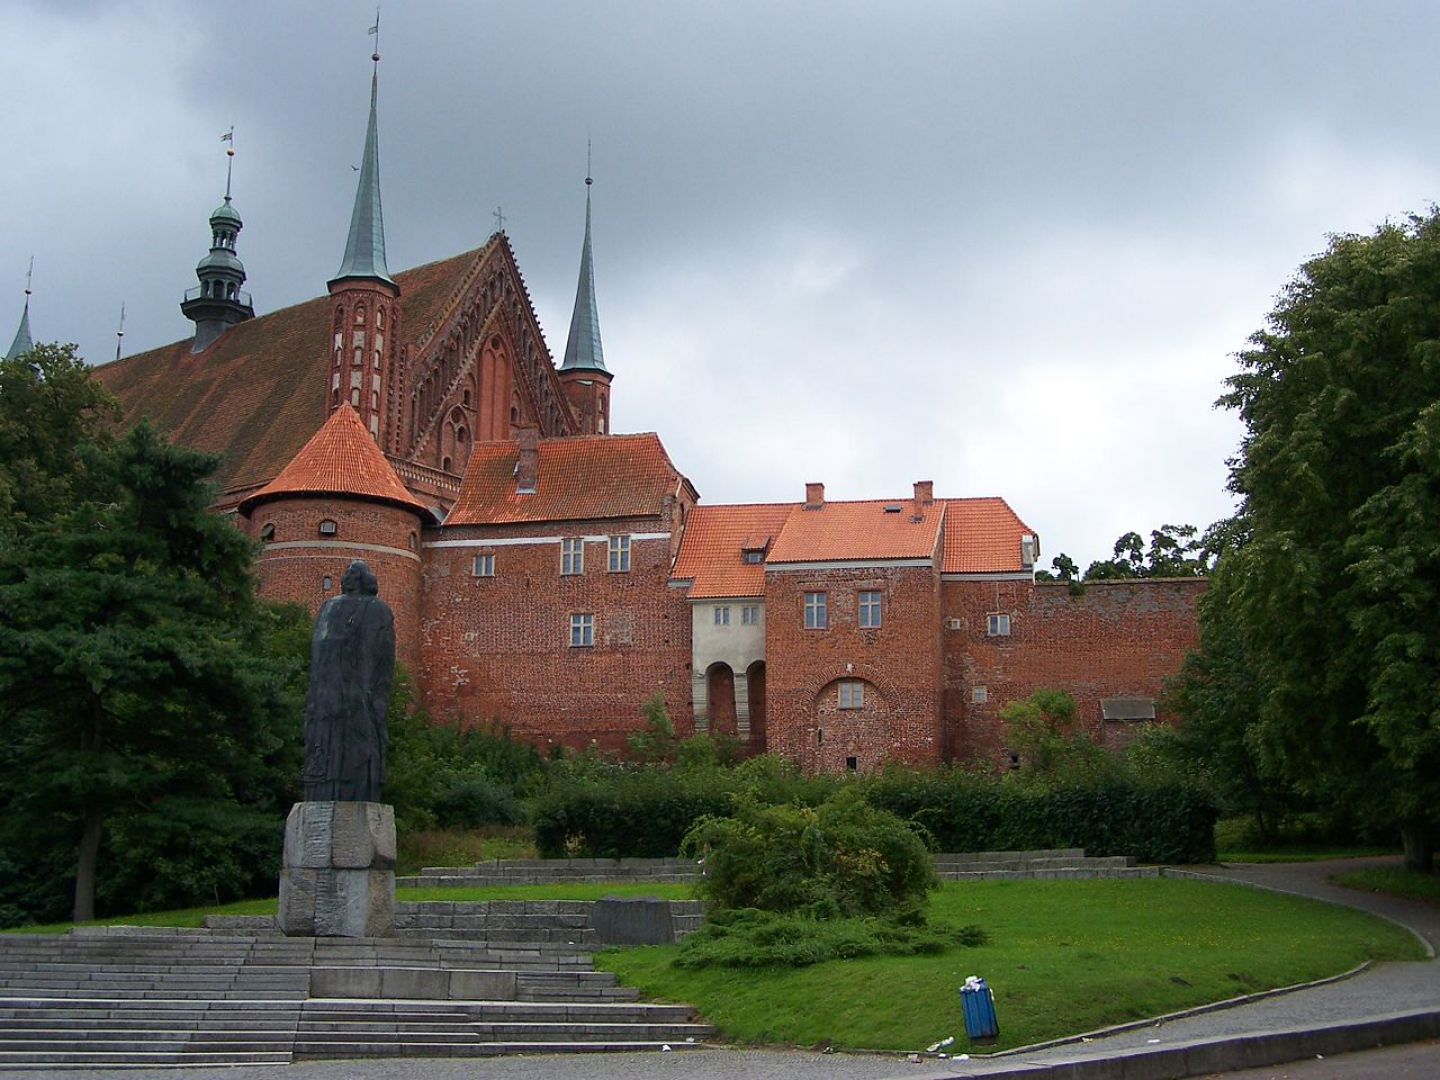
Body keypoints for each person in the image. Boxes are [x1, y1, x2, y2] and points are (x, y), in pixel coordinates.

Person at [303, 560, 393, 801]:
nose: (346, 578)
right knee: (325, 740)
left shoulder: (376, 609)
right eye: (345, 574)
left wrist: (372, 692)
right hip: (328, 689)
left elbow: (380, 656)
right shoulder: (329, 607)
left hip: (355, 689)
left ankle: (354, 786)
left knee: (358, 741)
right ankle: (324, 784)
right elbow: (318, 648)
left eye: (353, 574)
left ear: (364, 580)